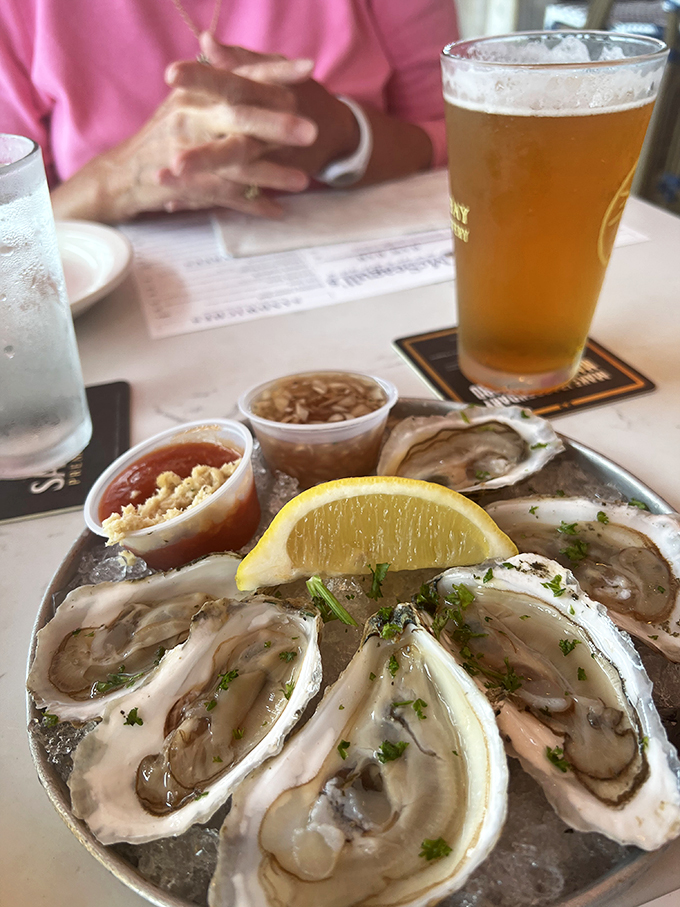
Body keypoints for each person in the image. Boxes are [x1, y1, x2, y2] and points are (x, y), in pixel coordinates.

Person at [0, 0, 458, 223]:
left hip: (370, 273)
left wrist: (344, 132)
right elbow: (9, 232)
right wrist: (118, 178)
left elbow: (455, 141)